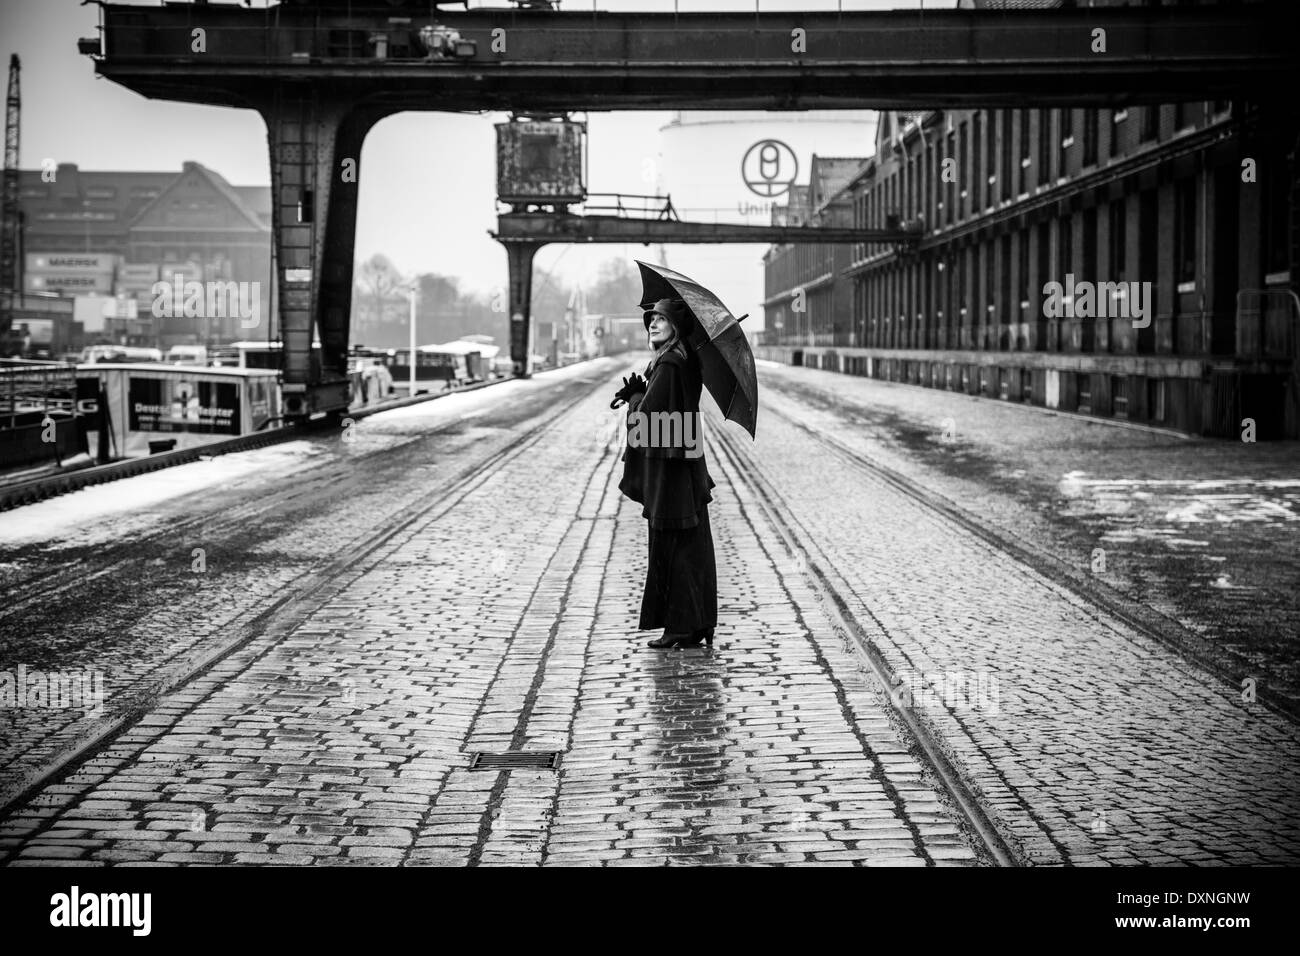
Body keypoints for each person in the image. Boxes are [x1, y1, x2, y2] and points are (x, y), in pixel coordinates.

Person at [613, 297, 718, 649]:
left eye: (662, 319)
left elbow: (646, 425)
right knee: (690, 547)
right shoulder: (679, 360)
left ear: (676, 326)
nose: (653, 324)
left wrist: (635, 397)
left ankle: (681, 627)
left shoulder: (670, 364)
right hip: (683, 469)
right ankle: (696, 621)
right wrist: (642, 391)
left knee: (674, 550)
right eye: (651, 319)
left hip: (671, 475)